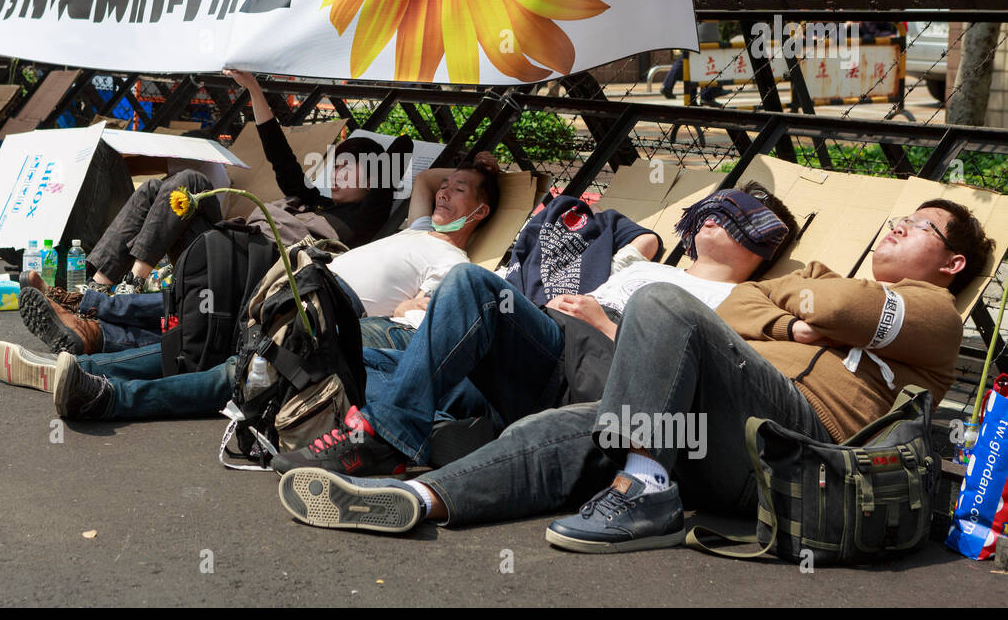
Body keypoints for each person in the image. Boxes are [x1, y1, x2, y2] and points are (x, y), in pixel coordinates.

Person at [277, 200, 992, 555]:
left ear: (951, 263)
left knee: (658, 299)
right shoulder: (806, 275)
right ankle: (411, 491)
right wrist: (788, 320)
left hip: (794, 444)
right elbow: (745, 304)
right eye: (895, 219)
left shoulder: (935, 317)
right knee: (492, 313)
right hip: (699, 429)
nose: (895, 228)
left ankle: (643, 486)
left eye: (916, 227)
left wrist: (806, 313)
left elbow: (831, 305)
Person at [271, 183, 795, 477]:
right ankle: (424, 433)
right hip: (544, 353)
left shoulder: (738, 302)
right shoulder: (647, 267)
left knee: (469, 285)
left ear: (762, 243)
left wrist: (606, 324)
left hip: (585, 379)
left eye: (732, 218)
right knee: (354, 347)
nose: (711, 218)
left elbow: (694, 381)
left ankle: (387, 437)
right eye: (710, 210)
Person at [0, 153, 506, 423]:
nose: (444, 191)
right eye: (447, 185)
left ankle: (104, 383)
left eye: (460, 192)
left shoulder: (452, 260)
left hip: (327, 316)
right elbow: (424, 181)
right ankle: (85, 363)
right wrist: (474, 168)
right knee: (211, 338)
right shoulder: (416, 228)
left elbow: (434, 326)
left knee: (232, 366)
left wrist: (411, 310)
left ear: (480, 212)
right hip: (294, 287)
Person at [79, 68, 409, 296]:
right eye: (336, 166)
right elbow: (281, 156)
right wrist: (253, 88)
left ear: (377, 177)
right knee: (156, 188)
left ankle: (134, 284)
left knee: (191, 181)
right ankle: (98, 284)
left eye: (349, 168)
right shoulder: (313, 199)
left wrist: (379, 168)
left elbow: (401, 150)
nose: (337, 173)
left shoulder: (362, 221)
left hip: (248, 266)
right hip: (227, 245)